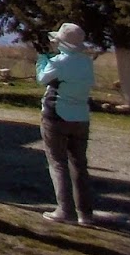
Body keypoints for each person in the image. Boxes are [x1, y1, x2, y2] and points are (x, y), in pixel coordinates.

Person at [36, 22, 97, 226]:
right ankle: (85, 213)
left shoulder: (59, 62)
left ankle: (65, 210)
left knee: (58, 162)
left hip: (56, 115)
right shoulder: (87, 62)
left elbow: (42, 78)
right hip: (81, 115)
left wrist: (42, 60)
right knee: (79, 164)